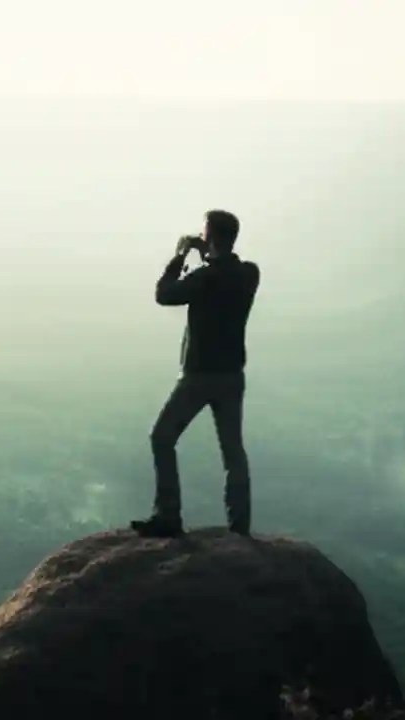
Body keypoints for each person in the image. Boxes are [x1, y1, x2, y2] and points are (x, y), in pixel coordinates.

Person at [131, 210, 260, 538]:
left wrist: (180, 255)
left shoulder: (204, 278)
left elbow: (164, 294)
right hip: (232, 375)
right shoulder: (249, 274)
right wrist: (208, 254)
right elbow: (224, 272)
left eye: (204, 234)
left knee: (162, 437)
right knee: (233, 452)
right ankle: (240, 527)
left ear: (210, 237)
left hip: (199, 375)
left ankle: (168, 515)